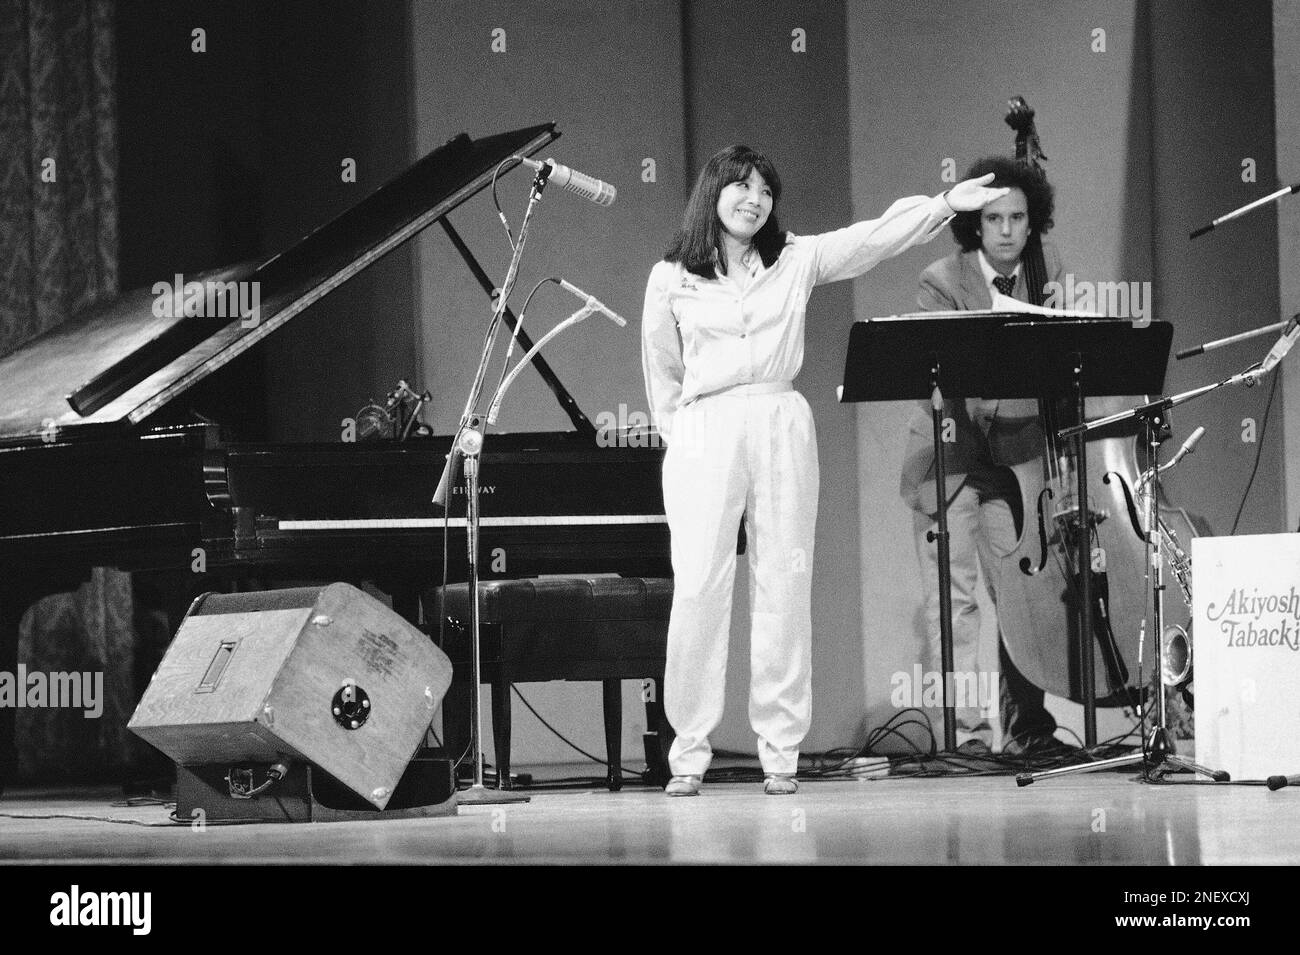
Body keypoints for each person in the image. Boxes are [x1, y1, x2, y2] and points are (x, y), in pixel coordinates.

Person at [642, 144, 1008, 795]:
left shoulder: (794, 259)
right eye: (740, 187)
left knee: (783, 583)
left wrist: (943, 205)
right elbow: (661, 375)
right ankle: (688, 751)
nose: (754, 199)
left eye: (764, 189)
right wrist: (685, 442)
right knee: (699, 587)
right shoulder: (671, 276)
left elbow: (869, 241)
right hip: (704, 428)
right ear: (712, 193)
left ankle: (780, 751)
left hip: (780, 418)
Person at [898, 155, 1073, 758]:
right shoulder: (941, 280)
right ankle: (966, 741)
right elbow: (941, 377)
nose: (1005, 229)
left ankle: (1027, 730)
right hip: (949, 459)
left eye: (1017, 217)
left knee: (1021, 600)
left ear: (1033, 223)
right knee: (956, 603)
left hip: (1013, 463)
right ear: (975, 223)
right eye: (993, 217)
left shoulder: (1047, 281)